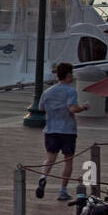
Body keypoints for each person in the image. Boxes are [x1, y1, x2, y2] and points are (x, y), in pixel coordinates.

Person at [35, 62, 88, 202]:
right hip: (67, 130)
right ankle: (62, 191)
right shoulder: (70, 91)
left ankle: (43, 177)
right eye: (72, 73)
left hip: (51, 129)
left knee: (50, 158)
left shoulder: (48, 92)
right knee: (68, 160)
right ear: (68, 75)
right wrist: (83, 107)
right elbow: (72, 109)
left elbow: (41, 107)